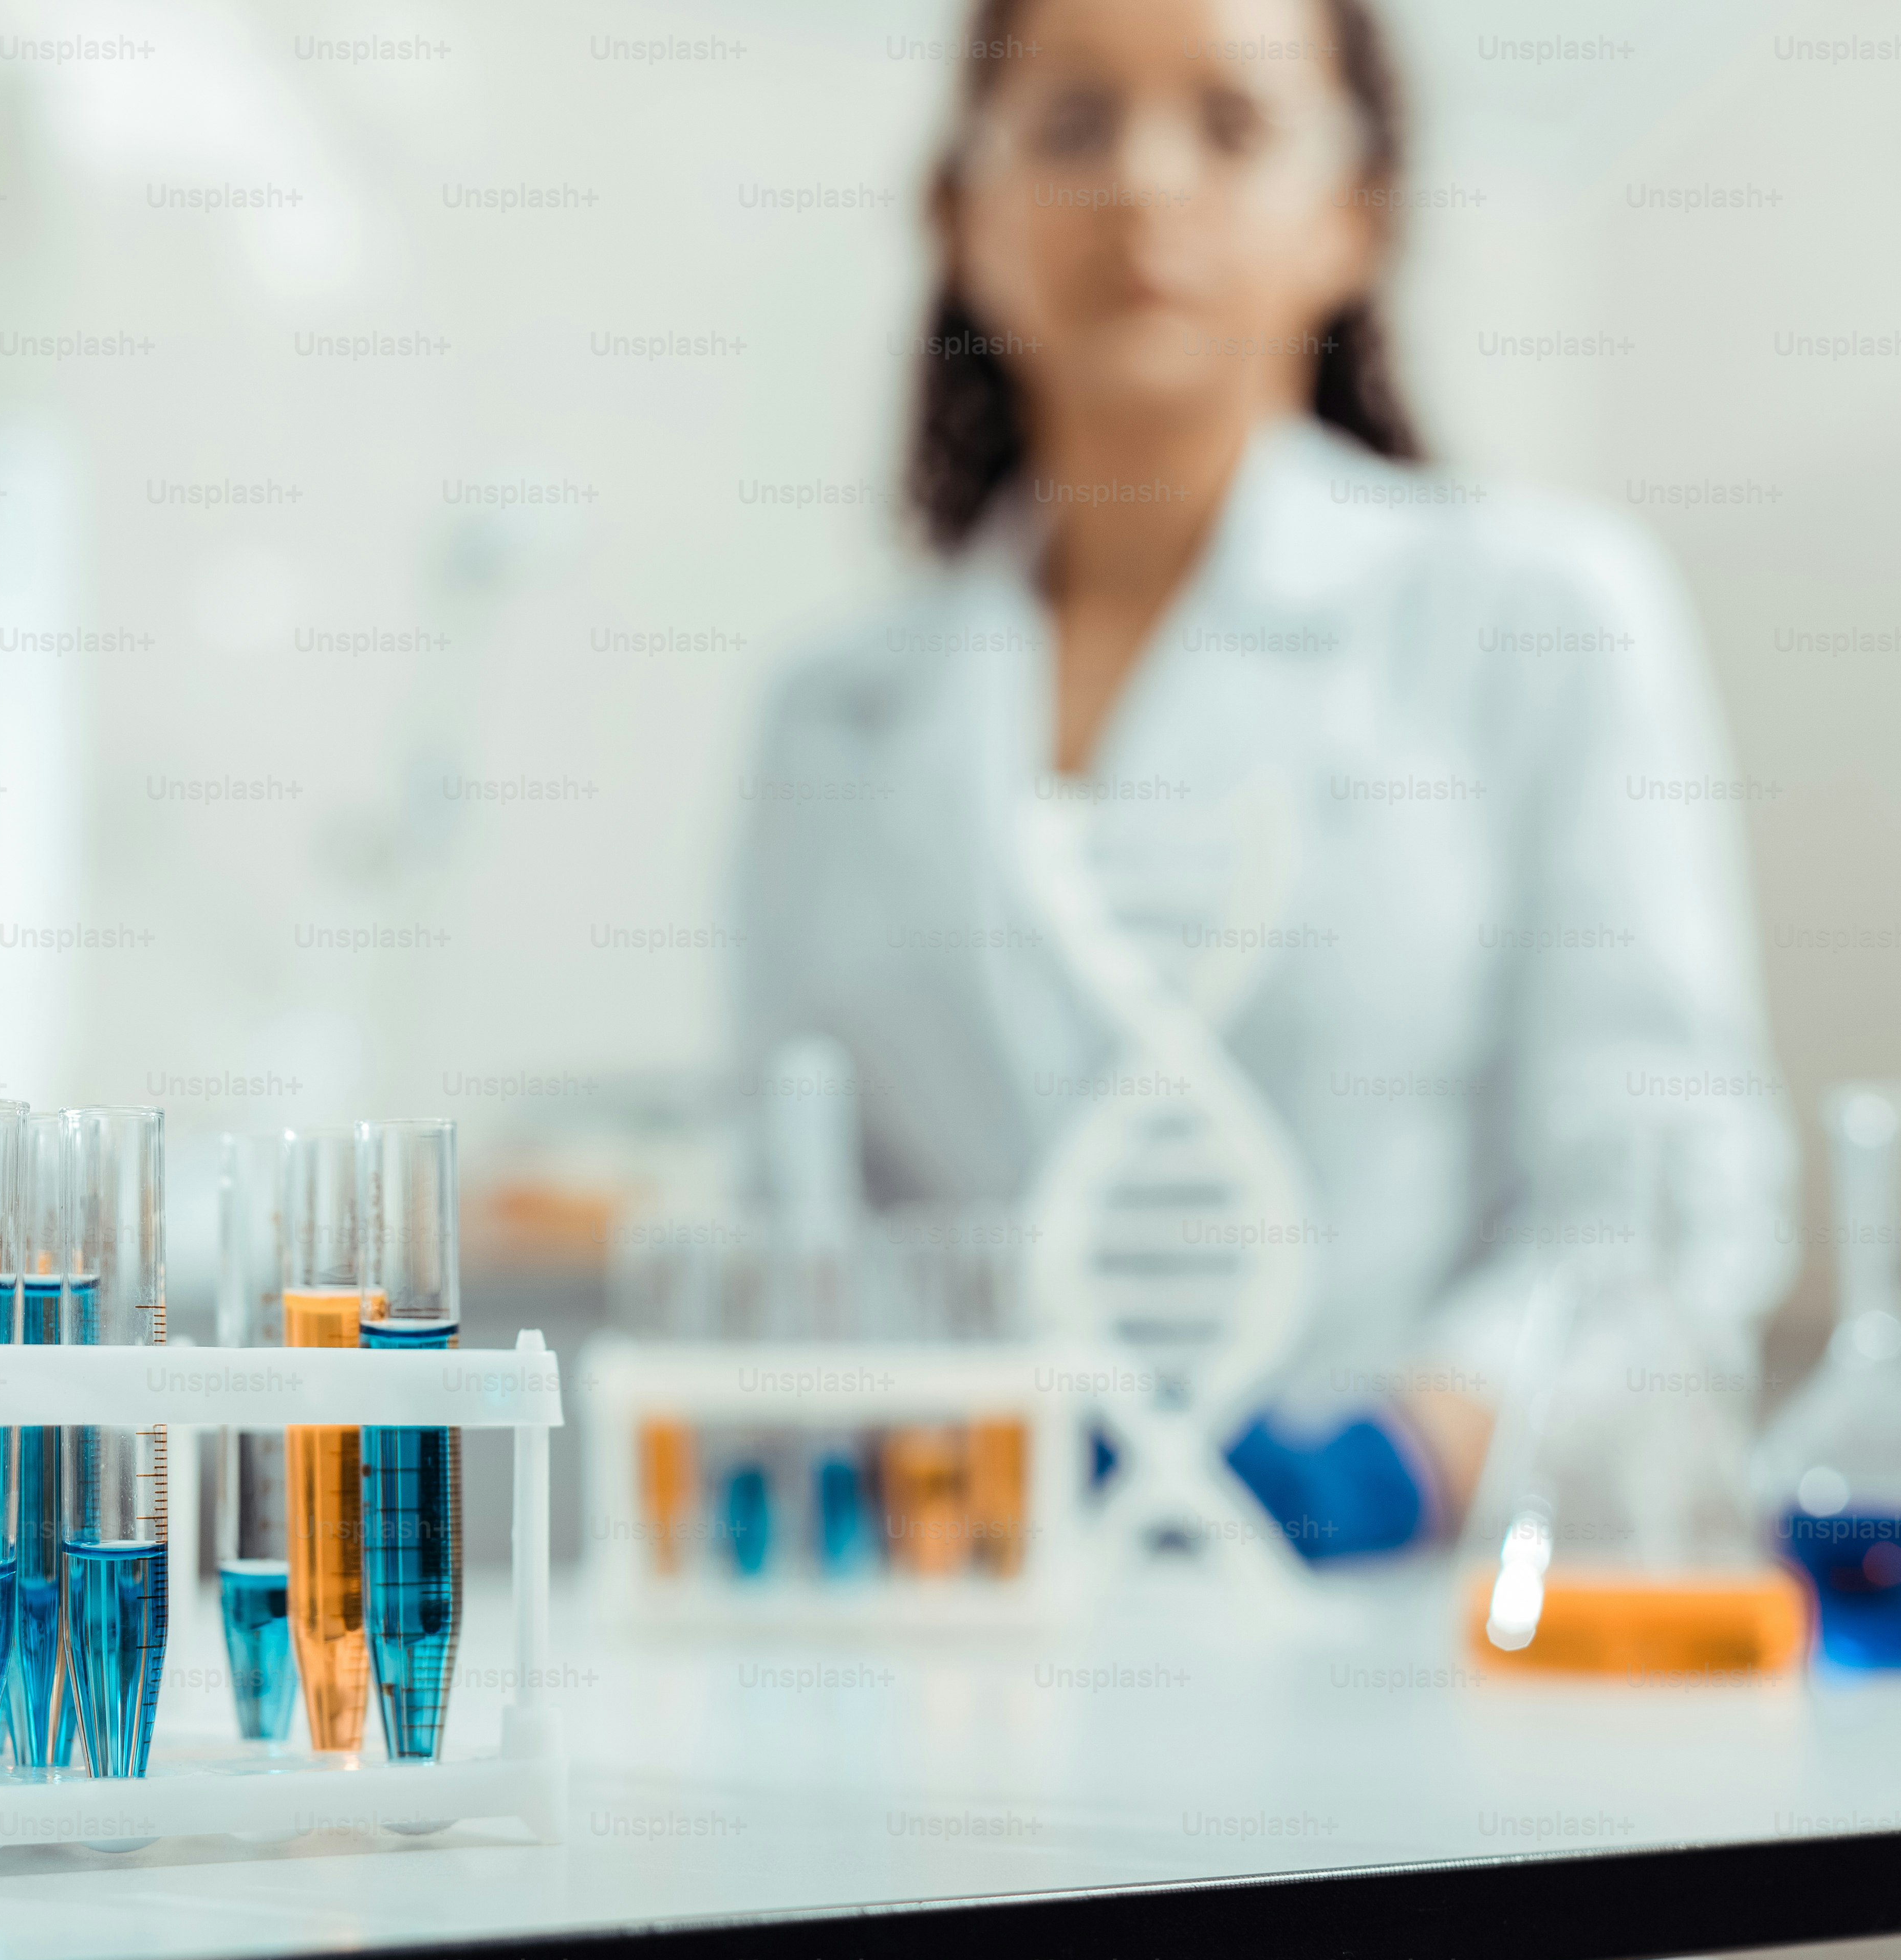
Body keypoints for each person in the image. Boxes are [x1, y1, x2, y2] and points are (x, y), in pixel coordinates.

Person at [732, 0, 1792, 1560]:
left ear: (1355, 216)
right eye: (1074, 125)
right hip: (967, 1607)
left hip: (1412, 1611)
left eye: (1231, 125)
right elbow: (785, 1213)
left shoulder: (1537, 616)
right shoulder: (834, 716)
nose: (1146, 186)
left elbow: (1673, 1190)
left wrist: (1401, 1453)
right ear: (961, 214)